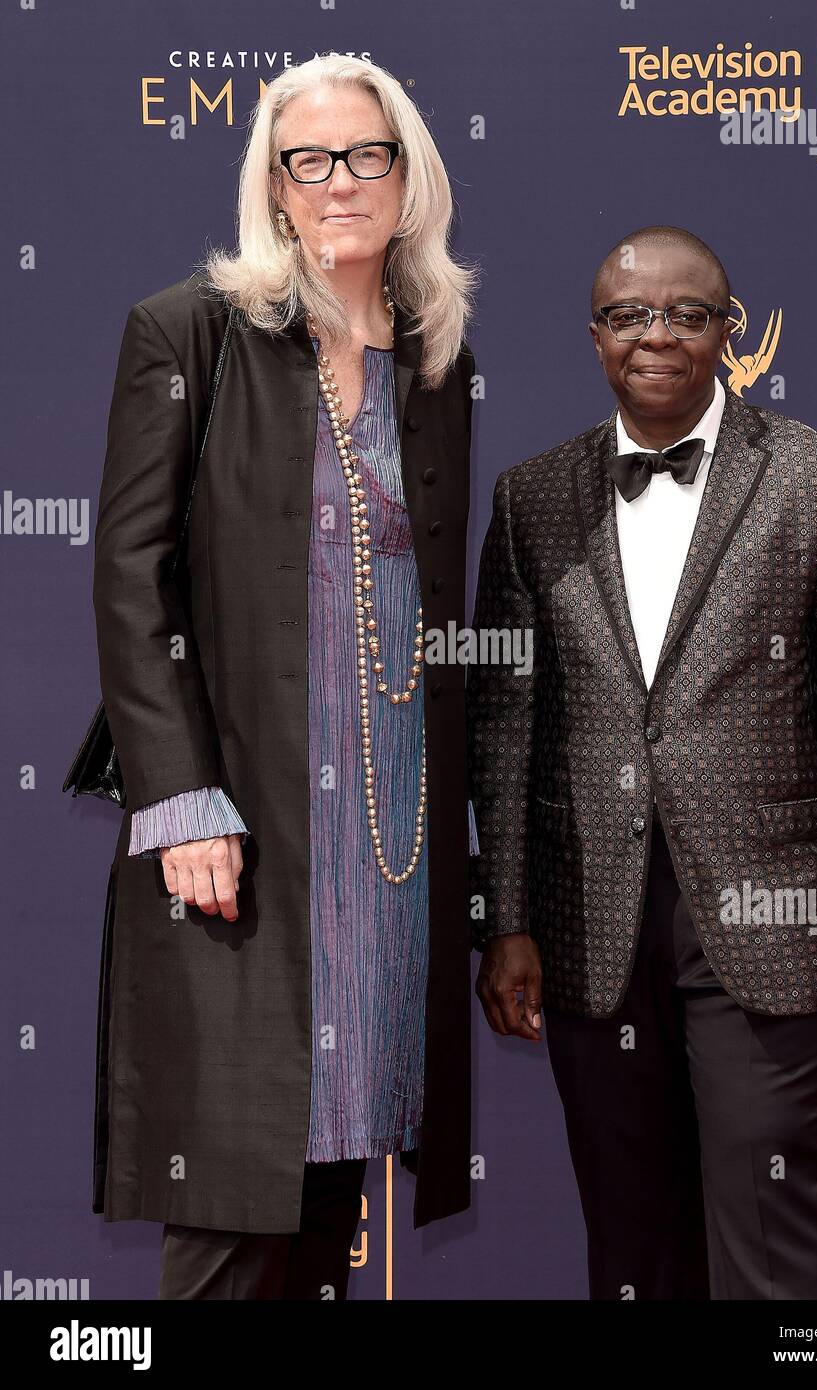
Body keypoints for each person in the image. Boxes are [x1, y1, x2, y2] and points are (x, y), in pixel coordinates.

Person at [466, 225, 817, 1300]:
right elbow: (502, 734)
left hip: (771, 920)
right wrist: (508, 920)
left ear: (730, 332)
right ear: (595, 339)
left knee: (777, 1222)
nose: (656, 335)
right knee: (633, 1239)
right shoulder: (530, 500)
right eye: (629, 314)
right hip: (592, 926)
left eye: (686, 312)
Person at [92, 52, 478, 1300]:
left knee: (332, 1187)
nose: (338, 182)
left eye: (365, 154)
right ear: (272, 186)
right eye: (305, 161)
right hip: (241, 816)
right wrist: (181, 796)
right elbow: (130, 572)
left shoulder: (436, 356)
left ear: (405, 173)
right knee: (232, 1193)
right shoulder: (189, 330)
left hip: (384, 831)